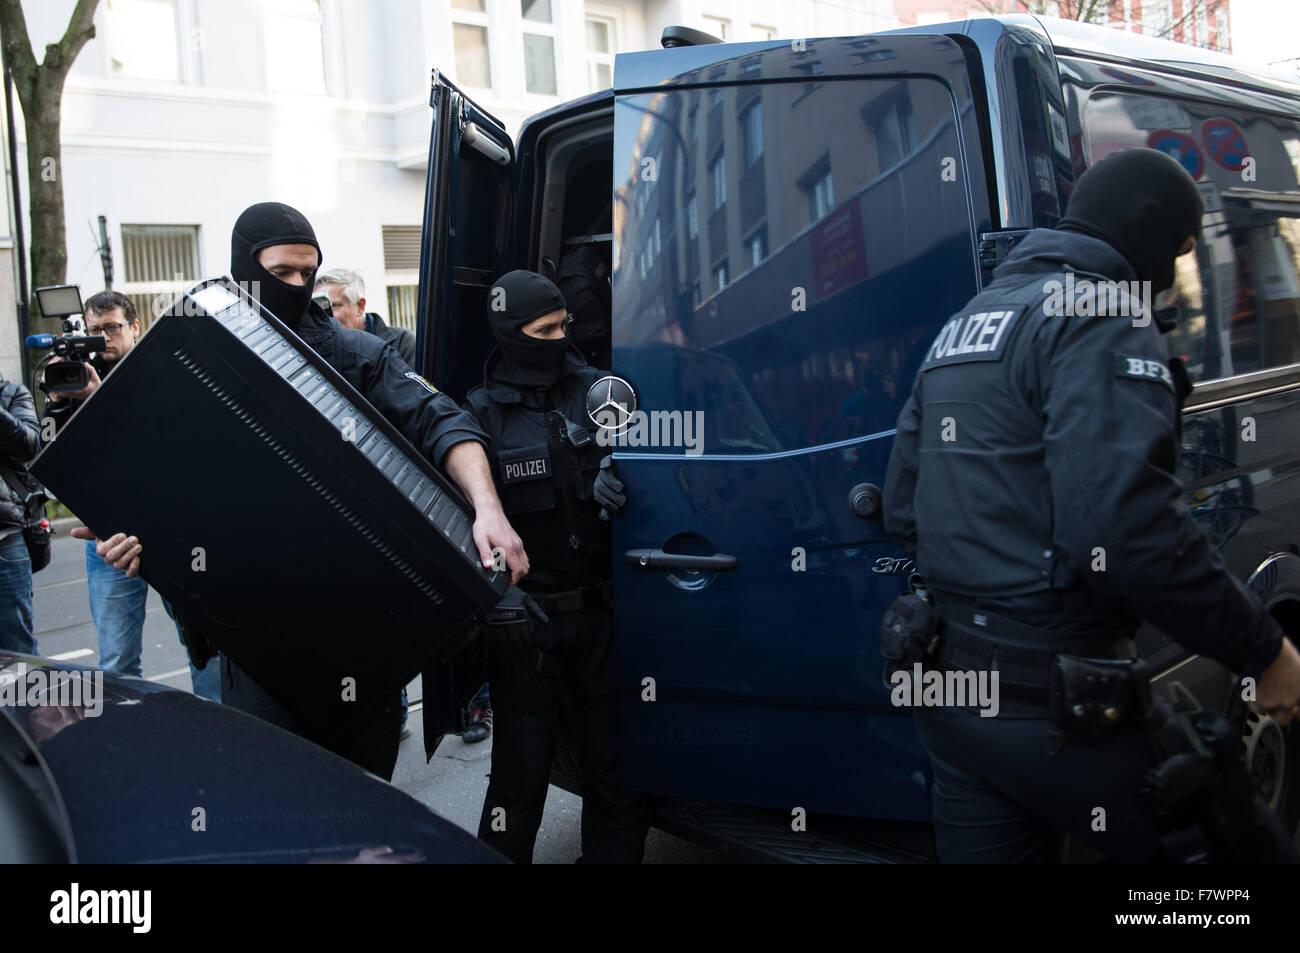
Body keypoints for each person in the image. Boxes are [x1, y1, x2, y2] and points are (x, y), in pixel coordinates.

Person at [881, 147, 1300, 863]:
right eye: (1180, 247)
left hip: (952, 690)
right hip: (1057, 705)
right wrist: (1264, 647)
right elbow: (1125, 531)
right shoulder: (1101, 311)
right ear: (1144, 228)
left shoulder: (972, 319)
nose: (1176, 272)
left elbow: (904, 509)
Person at [80, 201, 528, 781]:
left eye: (308, 273)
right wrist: (131, 538)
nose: (298, 285)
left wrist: (488, 508)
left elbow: (444, 421)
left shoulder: (357, 354)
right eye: (283, 272)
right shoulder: (188, 365)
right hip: (248, 649)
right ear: (245, 268)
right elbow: (153, 489)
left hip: (363, 637)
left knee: (364, 813)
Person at [466, 269, 651, 863]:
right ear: (511, 334)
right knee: (517, 785)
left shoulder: (602, 391)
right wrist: (499, 598)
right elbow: (461, 523)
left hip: (602, 616)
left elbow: (656, 469)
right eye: (543, 330)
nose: (560, 339)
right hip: (529, 627)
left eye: (564, 325)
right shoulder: (480, 417)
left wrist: (626, 480)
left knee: (617, 777)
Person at [44, 292, 220, 700]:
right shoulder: (72, 380)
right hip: (105, 537)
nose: (102, 339)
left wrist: (95, 397)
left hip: (169, 529)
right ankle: (132, 742)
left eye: (111, 328)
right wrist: (55, 403)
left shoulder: (158, 368)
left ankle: (219, 736)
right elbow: (49, 460)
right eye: (93, 331)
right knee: (117, 659)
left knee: (202, 648)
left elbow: (162, 445)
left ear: (134, 327)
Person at [0, 371, 41, 654]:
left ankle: (22, 700)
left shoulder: (13, 394)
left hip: (5, 540)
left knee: (18, 651)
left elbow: (30, 446)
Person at [314, 267, 416, 365]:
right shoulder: (315, 350)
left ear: (360, 306)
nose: (325, 316)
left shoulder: (402, 342)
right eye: (319, 308)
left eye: (334, 306)